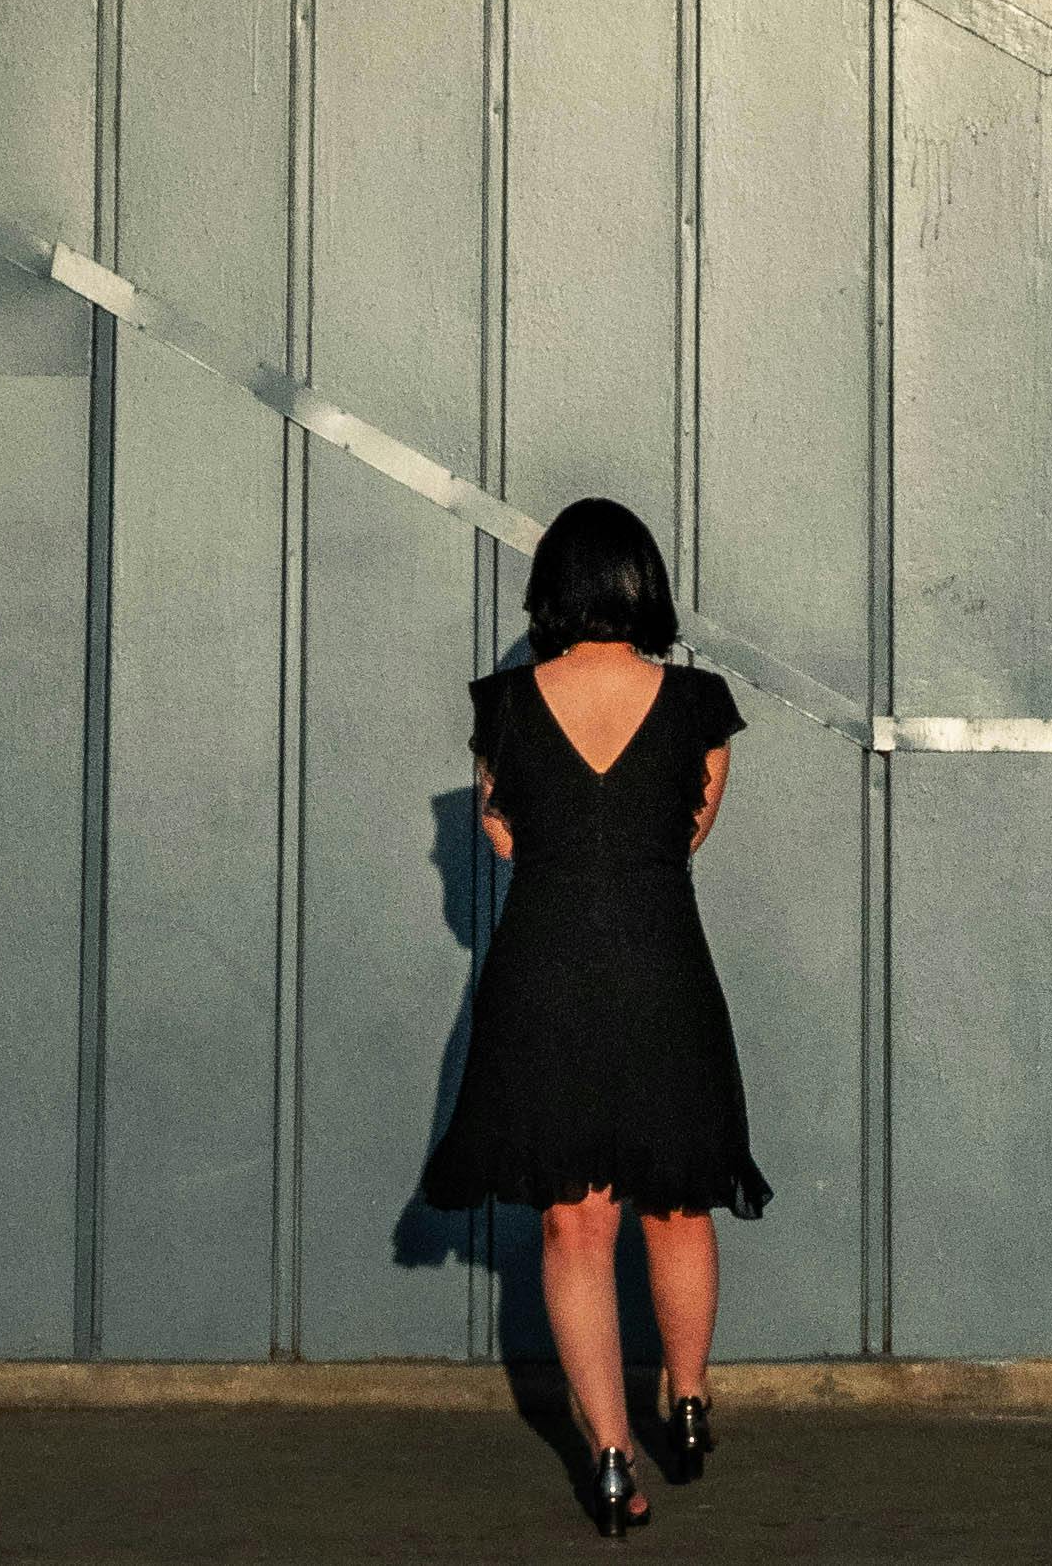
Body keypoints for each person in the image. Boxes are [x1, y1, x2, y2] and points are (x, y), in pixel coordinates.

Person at [422, 500, 768, 1537]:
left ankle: (611, 1458)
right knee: (679, 1202)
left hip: (545, 976)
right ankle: (691, 1396)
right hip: (664, 970)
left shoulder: (506, 705)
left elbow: (505, 843)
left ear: (555, 591)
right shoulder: (702, 704)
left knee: (576, 1221)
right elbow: (689, 833)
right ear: (643, 584)